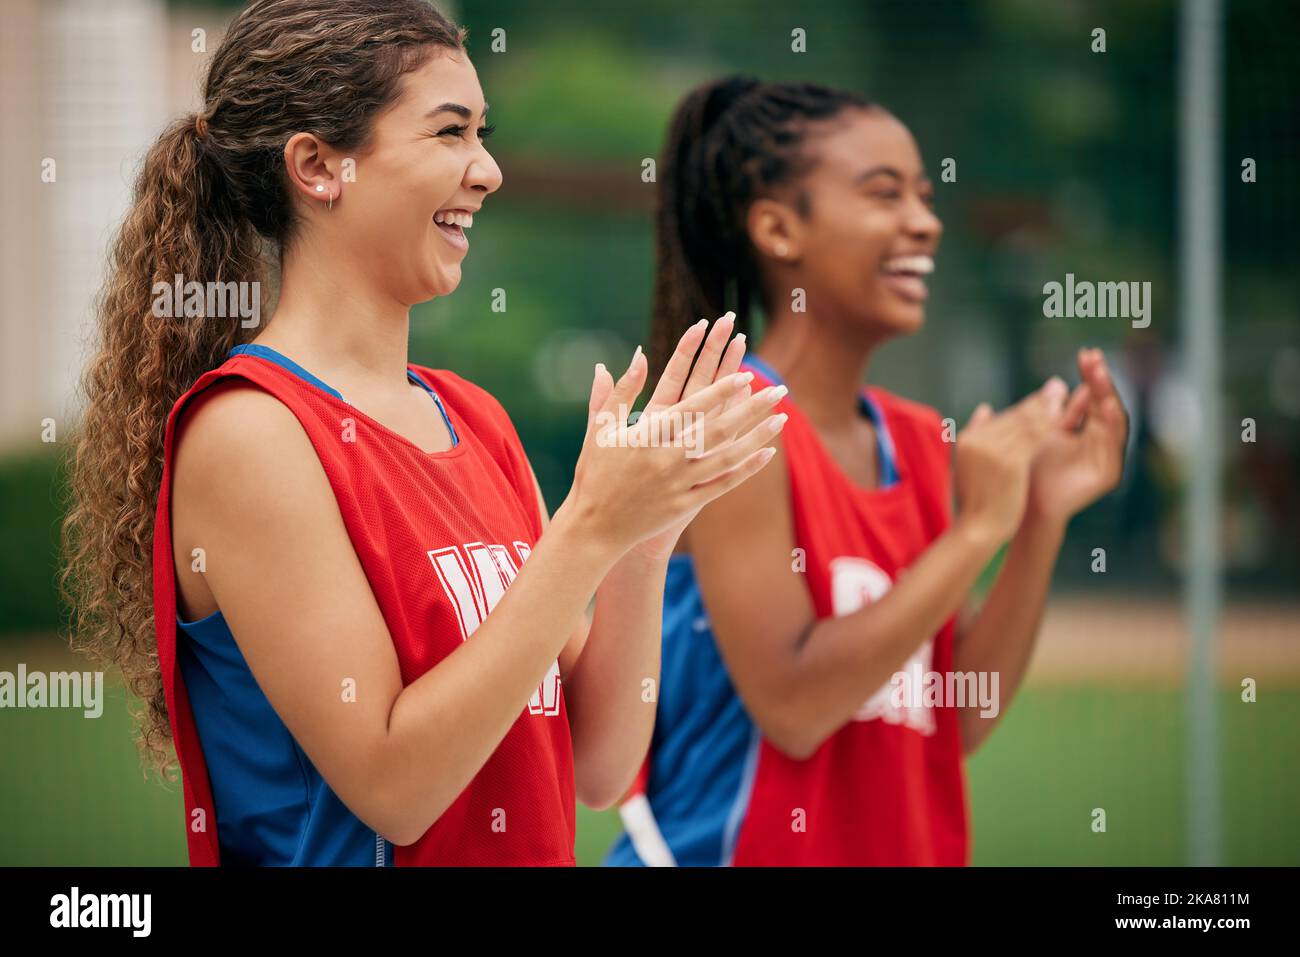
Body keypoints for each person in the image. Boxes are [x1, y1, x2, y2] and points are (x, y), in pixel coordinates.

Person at [61, 1, 782, 866]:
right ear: (320, 167)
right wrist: (587, 526)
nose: (488, 170)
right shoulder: (251, 431)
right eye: (450, 133)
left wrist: (641, 535)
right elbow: (395, 788)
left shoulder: (473, 416)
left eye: (483, 132)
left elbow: (599, 762)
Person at [606, 76, 1129, 866]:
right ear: (780, 229)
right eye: (884, 195)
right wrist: (980, 527)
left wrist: (1038, 519)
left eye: (924, 195)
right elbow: (796, 703)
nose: (925, 221)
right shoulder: (728, 423)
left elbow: (952, 719)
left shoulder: (918, 440)